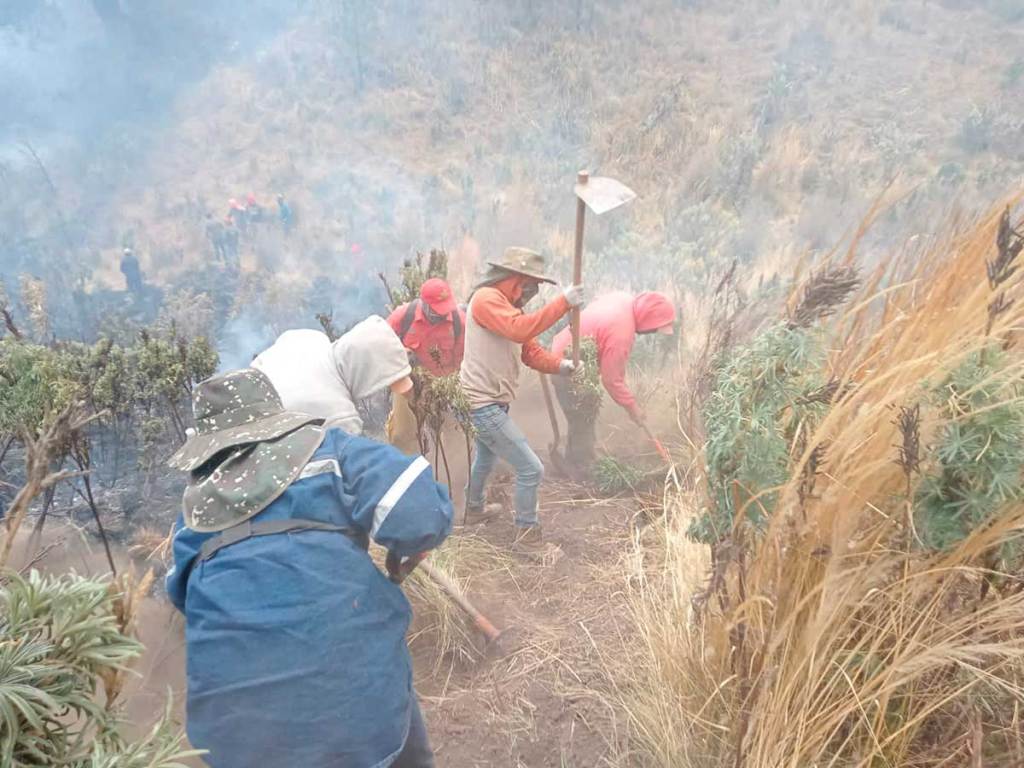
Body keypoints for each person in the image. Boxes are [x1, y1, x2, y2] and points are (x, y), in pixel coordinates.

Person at [166, 367, 452, 768]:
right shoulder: (331, 451)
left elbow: (183, 600)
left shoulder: (192, 514)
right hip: (356, 720)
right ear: (275, 419)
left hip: (234, 741)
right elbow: (423, 514)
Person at [459, 246, 584, 550]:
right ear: (515, 278)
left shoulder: (508, 306)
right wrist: (563, 303)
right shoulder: (487, 299)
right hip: (481, 404)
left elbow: (529, 350)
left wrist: (562, 366)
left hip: (491, 402)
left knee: (485, 459)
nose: (533, 291)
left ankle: (474, 511)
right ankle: (527, 537)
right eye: (531, 284)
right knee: (531, 468)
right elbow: (519, 331)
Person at [551, 291, 676, 466]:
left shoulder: (622, 299)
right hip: (567, 365)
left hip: (561, 352)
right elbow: (612, 380)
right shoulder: (622, 333)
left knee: (580, 419)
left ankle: (573, 461)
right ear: (648, 319)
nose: (652, 332)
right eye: (654, 328)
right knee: (583, 418)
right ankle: (582, 470)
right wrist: (633, 408)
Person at [252, 314, 413, 434]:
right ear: (365, 374)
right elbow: (351, 463)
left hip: (246, 400)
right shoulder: (340, 417)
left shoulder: (311, 339)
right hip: (267, 440)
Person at [386, 278, 467, 455]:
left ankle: (455, 471)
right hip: (407, 382)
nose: (442, 314)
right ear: (424, 304)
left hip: (443, 383)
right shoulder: (403, 316)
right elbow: (382, 345)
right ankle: (406, 469)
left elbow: (464, 358)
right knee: (402, 435)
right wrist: (402, 354)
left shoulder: (459, 321)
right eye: (438, 310)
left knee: (453, 431)